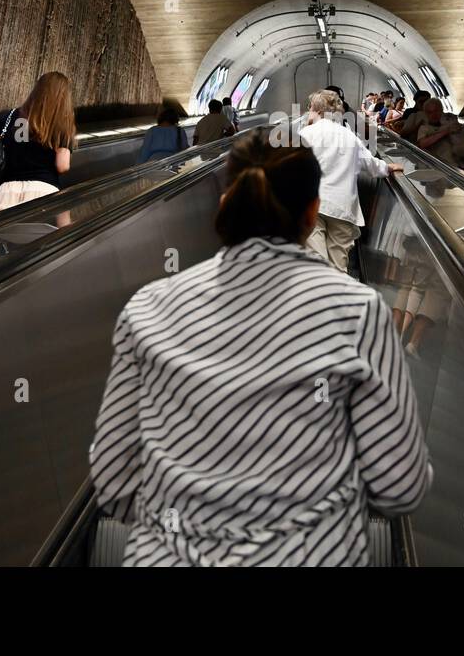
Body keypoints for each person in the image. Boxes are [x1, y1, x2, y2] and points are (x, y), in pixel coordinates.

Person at [89, 129, 432, 566]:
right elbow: (399, 485)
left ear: (225, 202)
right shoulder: (358, 311)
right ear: (312, 213)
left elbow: (114, 481)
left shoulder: (147, 309)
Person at [299, 89, 402, 272]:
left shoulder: (306, 134)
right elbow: (369, 164)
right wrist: (387, 168)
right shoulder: (349, 136)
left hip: (311, 204)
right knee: (339, 266)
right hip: (342, 207)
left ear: (316, 110)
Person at [0, 71, 77, 218]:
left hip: (5, 193)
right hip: (44, 192)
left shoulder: (10, 116)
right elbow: (62, 165)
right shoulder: (61, 123)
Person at [416, 98, 464, 170]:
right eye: (430, 112)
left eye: (436, 111)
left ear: (441, 110)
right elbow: (422, 144)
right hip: (439, 167)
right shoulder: (424, 128)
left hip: (459, 166)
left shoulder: (451, 122)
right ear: (426, 114)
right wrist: (446, 132)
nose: (434, 115)